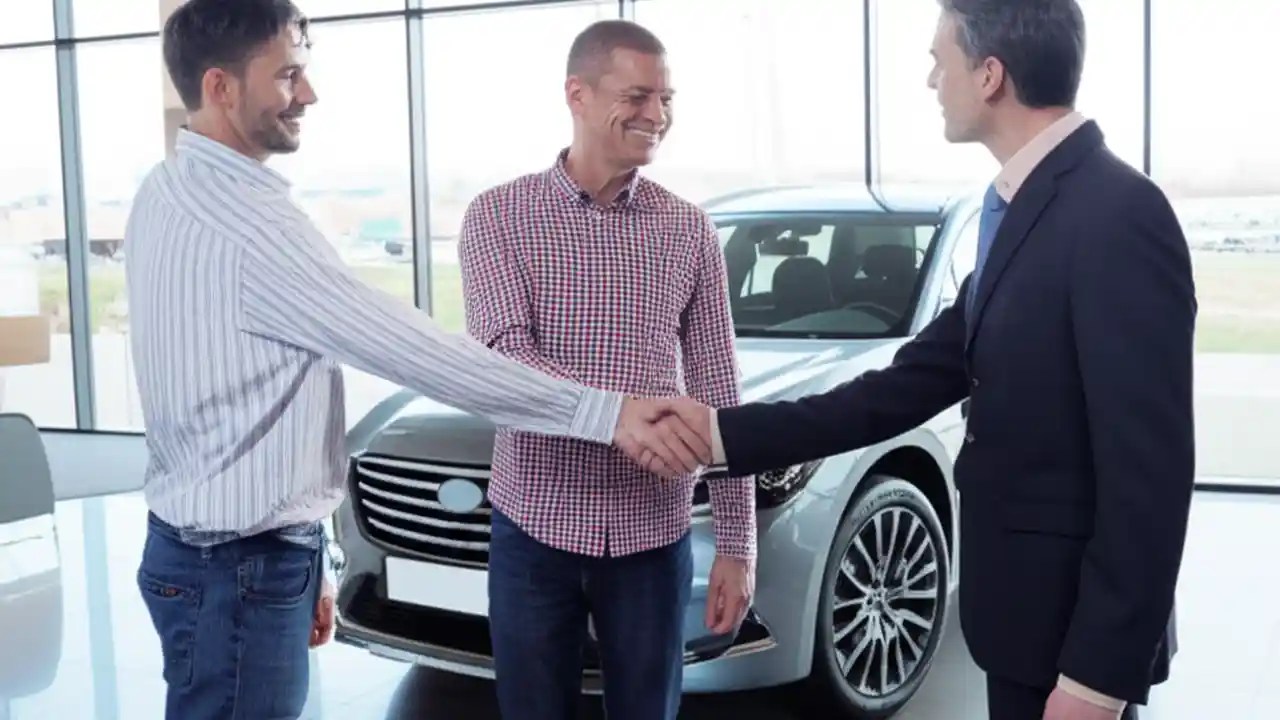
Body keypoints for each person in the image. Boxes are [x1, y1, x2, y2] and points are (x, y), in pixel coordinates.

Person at [128, 2, 707, 719]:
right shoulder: (258, 232)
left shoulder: (163, 189)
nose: (308, 94)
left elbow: (229, 395)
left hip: (207, 551)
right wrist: (606, 412)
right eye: (288, 75)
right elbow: (422, 354)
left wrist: (306, 561)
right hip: (238, 566)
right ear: (220, 87)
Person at [665, 1, 1197, 719]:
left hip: (1072, 649)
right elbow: (905, 386)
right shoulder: (1018, 207)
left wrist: (1096, 681)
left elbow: (1150, 482)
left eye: (938, 60)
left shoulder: (1118, 214)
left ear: (989, 75)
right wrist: (720, 433)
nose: (928, 80)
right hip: (1021, 627)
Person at [457, 19, 756, 720]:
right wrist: (612, 416)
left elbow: (718, 389)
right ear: (578, 95)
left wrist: (738, 545)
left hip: (654, 534)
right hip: (534, 524)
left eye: (668, 98)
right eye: (638, 95)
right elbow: (506, 358)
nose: (657, 115)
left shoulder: (689, 229)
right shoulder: (498, 216)